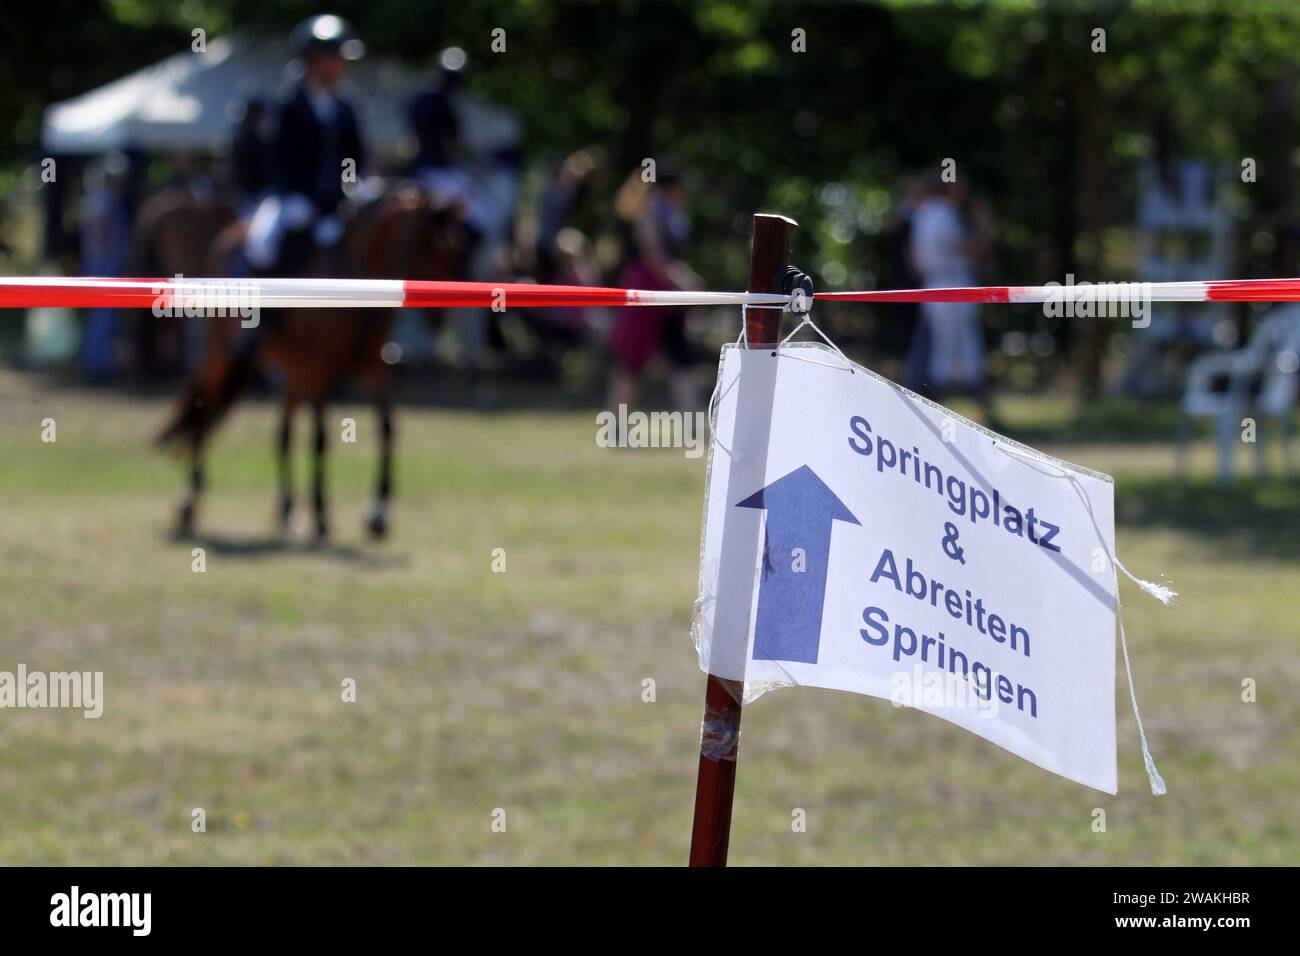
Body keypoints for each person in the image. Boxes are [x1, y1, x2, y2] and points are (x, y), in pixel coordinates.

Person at [243, 14, 366, 276]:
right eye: (333, 58)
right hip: (294, 197)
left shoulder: (346, 106)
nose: (339, 66)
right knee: (261, 247)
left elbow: (354, 155)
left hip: (338, 202)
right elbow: (276, 157)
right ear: (313, 60)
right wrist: (299, 196)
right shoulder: (288, 104)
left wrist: (349, 189)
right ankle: (263, 314)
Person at [607, 165, 699, 413]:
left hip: (667, 292)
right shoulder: (650, 210)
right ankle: (618, 423)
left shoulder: (670, 212)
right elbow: (653, 254)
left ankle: (691, 423)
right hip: (648, 290)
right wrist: (679, 280)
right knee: (631, 361)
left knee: (680, 356)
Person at [906, 178, 997, 422]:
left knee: (936, 350)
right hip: (953, 287)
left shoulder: (922, 214)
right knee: (958, 353)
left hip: (932, 286)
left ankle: (927, 414)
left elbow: (913, 260)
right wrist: (983, 225)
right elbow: (969, 249)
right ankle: (939, 414)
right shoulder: (945, 214)